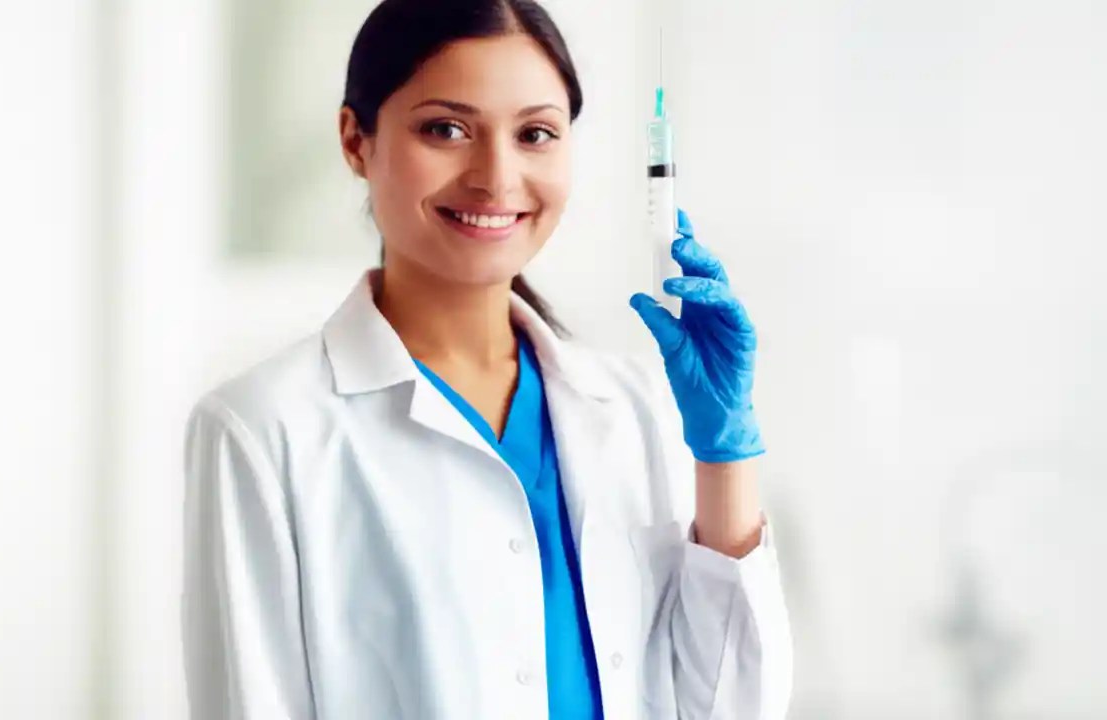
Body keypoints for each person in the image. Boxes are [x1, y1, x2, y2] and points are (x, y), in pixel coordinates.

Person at [182, 1, 792, 717]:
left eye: (535, 133)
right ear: (356, 140)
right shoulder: (263, 429)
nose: (496, 177)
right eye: (446, 129)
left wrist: (724, 453)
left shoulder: (638, 407)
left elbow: (731, 707)